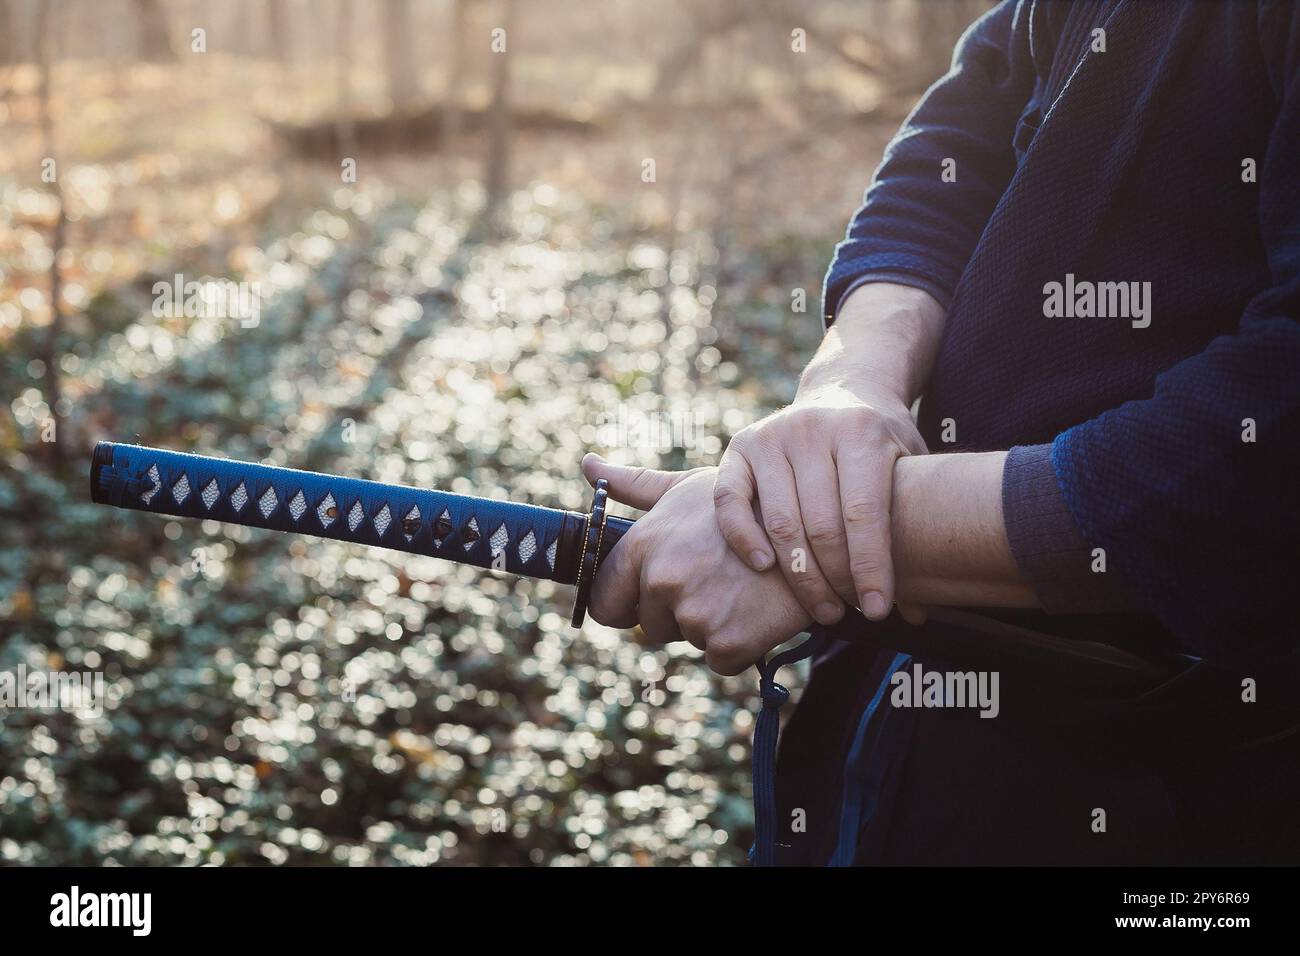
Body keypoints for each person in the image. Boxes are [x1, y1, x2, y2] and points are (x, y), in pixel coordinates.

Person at [582, 0, 1300, 864]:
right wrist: (852, 388)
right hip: (910, 730)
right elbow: (945, 163)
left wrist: (847, 530)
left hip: (1190, 788)